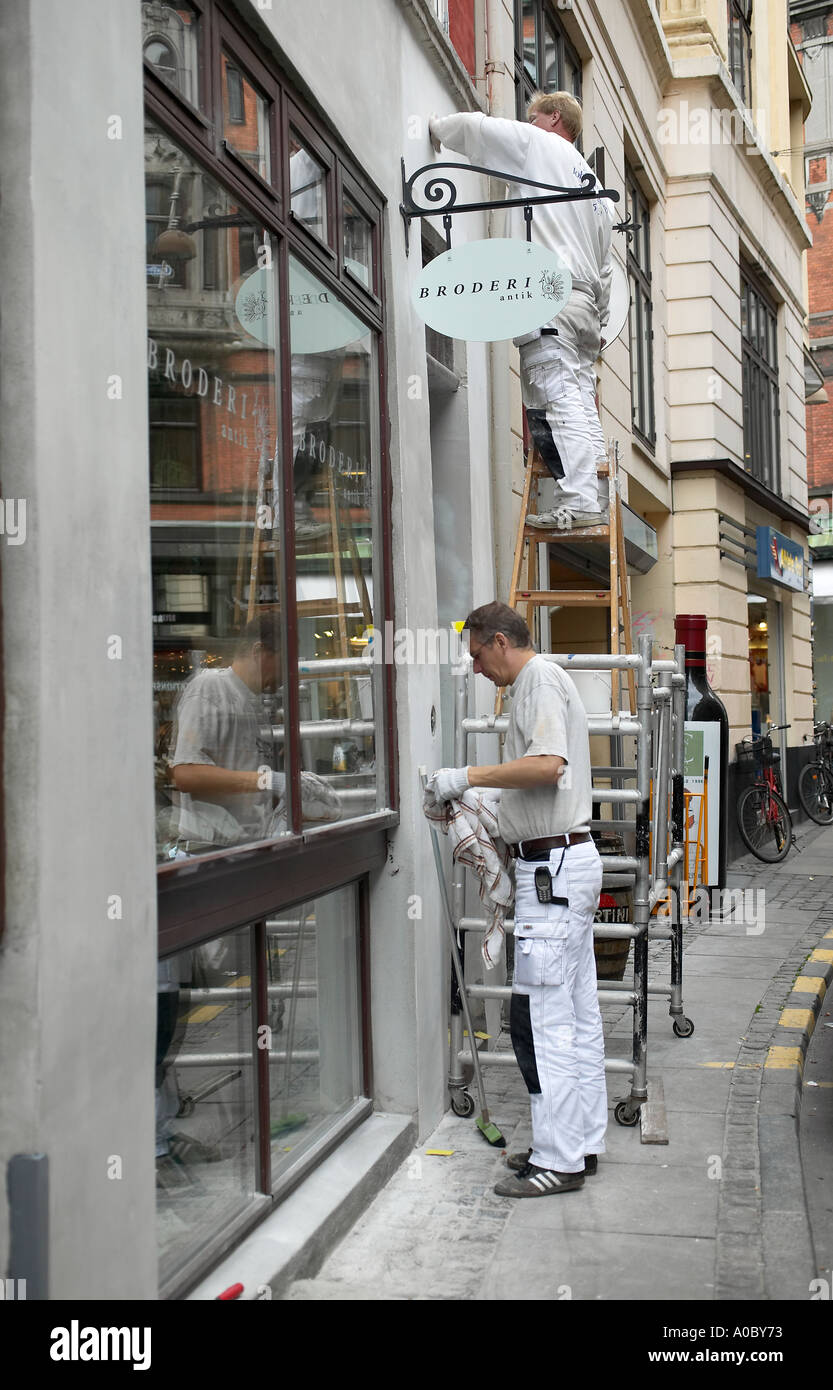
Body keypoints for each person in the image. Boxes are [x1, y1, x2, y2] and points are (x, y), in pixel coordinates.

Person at [428, 601, 606, 1197]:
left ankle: (559, 1161)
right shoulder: (538, 682)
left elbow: (547, 766)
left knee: (547, 1021)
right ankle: (581, 1144)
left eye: (478, 654)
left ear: (500, 641)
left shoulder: (538, 681)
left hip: (551, 872)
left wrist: (467, 779)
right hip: (562, 864)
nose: (477, 668)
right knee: (576, 1016)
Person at [429, 94, 614, 529]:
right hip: (584, 307)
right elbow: (606, 271)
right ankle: (598, 493)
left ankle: (581, 501)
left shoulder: (540, 146)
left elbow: (480, 131)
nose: (527, 123)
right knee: (580, 401)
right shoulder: (597, 194)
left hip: (550, 295)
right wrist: (599, 321)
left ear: (554, 118)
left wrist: (435, 128)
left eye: (533, 117)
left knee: (557, 393)